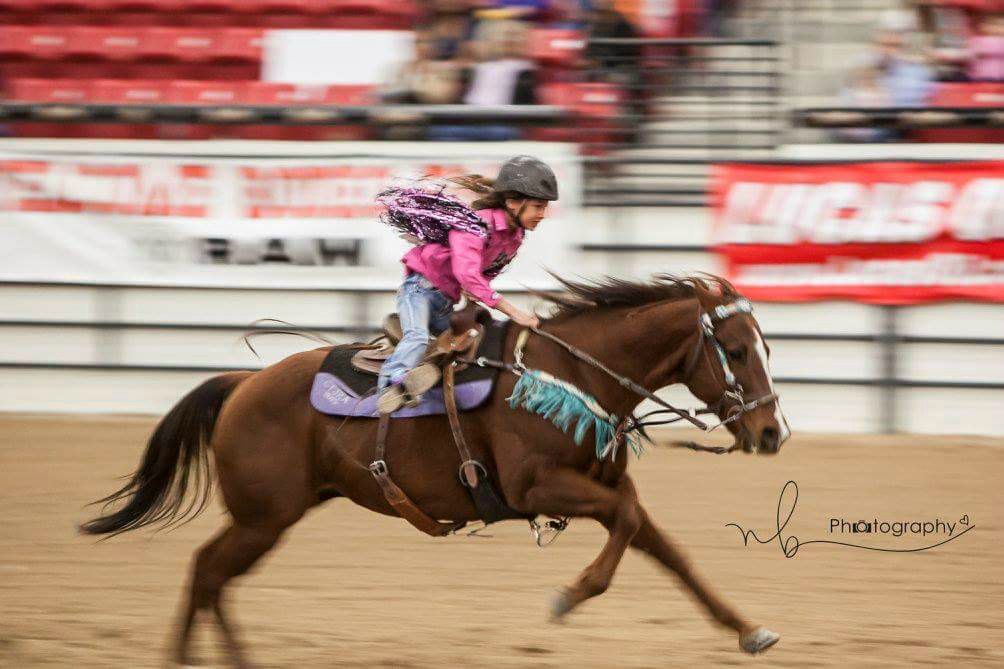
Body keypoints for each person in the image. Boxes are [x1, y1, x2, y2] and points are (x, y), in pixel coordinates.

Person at [375, 156, 558, 414]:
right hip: (419, 291)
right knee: (416, 336)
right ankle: (389, 385)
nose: (542, 215)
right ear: (513, 202)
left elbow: (487, 272)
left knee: (465, 343)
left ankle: (433, 378)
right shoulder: (473, 226)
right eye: (538, 206)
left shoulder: (515, 236)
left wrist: (473, 302)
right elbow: (468, 275)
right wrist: (513, 311)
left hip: (445, 301)